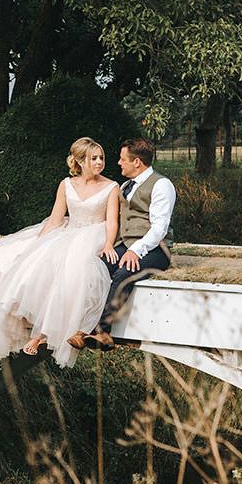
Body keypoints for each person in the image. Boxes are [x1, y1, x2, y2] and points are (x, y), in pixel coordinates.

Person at [0, 137, 120, 368]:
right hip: (68, 231)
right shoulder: (66, 184)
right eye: (93, 158)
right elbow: (55, 219)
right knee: (37, 263)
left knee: (73, 270)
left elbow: (112, 222)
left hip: (93, 235)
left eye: (101, 158)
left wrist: (108, 244)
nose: (99, 162)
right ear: (79, 161)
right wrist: (38, 244)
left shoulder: (111, 187)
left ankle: (42, 334)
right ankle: (31, 324)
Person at [71, 137, 176, 351]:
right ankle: (82, 328)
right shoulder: (126, 186)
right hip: (125, 245)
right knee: (95, 268)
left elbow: (159, 229)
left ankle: (103, 332)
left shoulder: (161, 185)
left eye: (122, 159)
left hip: (156, 249)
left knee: (123, 272)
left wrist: (135, 251)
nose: (118, 163)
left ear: (136, 162)